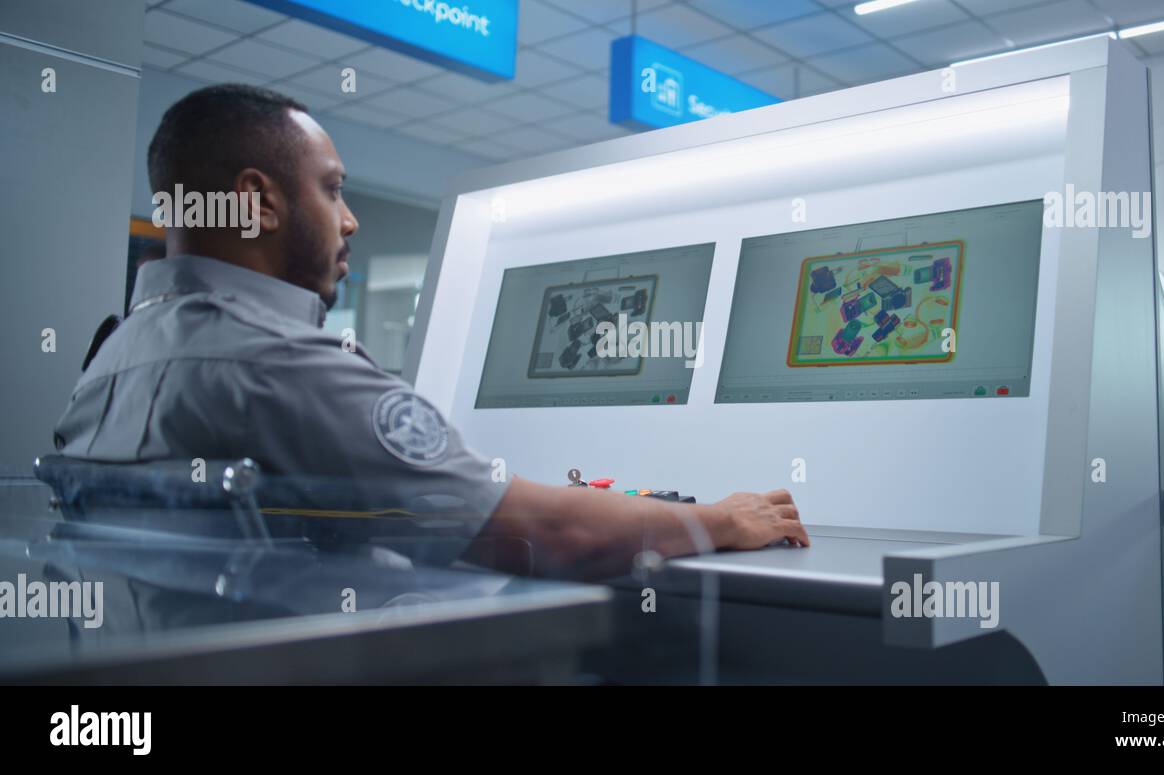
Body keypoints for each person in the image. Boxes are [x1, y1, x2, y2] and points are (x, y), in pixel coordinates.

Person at [53, 84, 808, 580]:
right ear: (258, 202)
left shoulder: (112, 356)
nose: (349, 220)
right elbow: (545, 531)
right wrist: (719, 518)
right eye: (332, 190)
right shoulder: (281, 365)